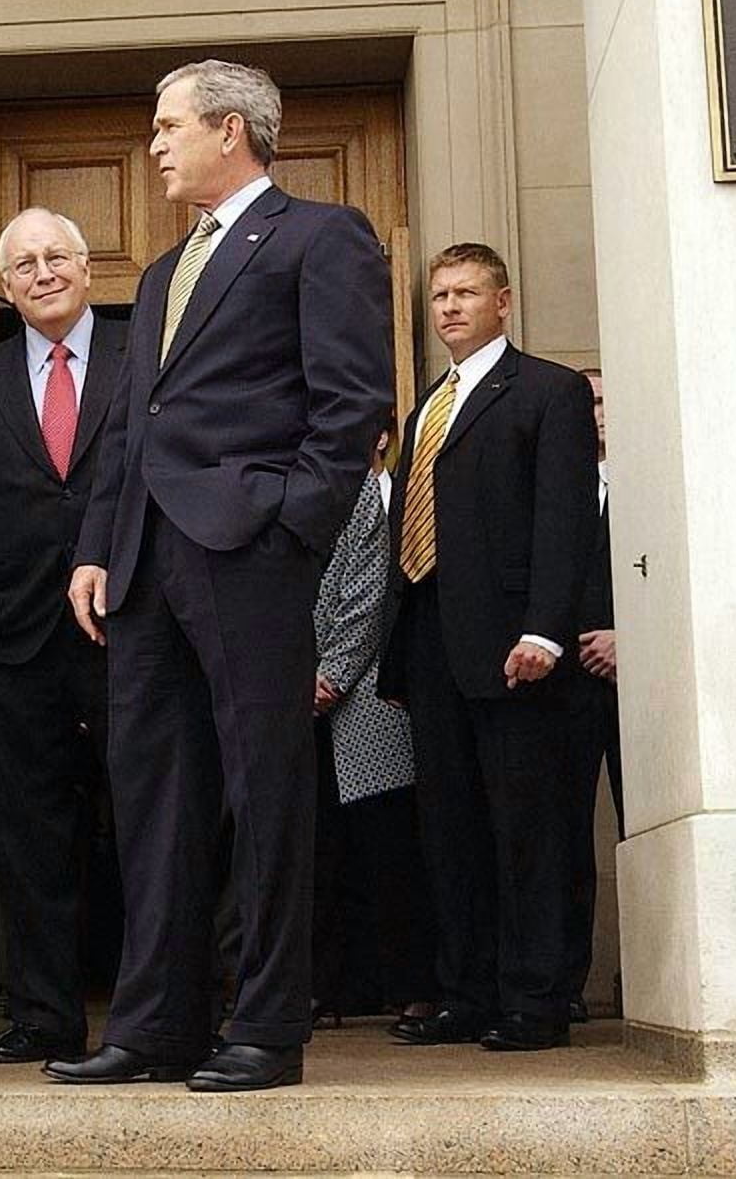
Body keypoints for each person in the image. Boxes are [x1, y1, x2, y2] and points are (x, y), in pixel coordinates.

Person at [54, 60, 393, 1092]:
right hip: (147, 561)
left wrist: (291, 529)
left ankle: (264, 1024)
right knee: (152, 794)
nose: (152, 143)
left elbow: (351, 405)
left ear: (232, 131)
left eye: (167, 126)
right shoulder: (159, 273)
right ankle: (156, 1024)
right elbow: (129, 423)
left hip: (247, 549)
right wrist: (97, 547)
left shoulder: (319, 236)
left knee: (263, 788)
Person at [378, 242, 595, 1054]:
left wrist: (544, 629)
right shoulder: (426, 406)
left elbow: (563, 521)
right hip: (433, 648)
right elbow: (409, 533)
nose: (449, 308)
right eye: (438, 296)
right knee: (452, 832)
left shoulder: (549, 391)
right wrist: (398, 656)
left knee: (526, 832)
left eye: (466, 293)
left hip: (514, 647)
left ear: (504, 302)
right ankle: (465, 995)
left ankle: (535, 1002)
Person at [0, 208, 128, 1065]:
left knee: (152, 826)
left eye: (57, 257)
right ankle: (43, 1014)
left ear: (87, 270)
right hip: (10, 647)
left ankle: (162, 1011)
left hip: (128, 639)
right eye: (22, 264)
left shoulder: (140, 361)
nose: (42, 273)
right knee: (28, 839)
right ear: (5, 287)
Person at [310, 430, 436, 1025]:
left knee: (389, 843)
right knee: (320, 850)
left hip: (365, 698)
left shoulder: (373, 496)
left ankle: (413, 983)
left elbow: (365, 594)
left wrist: (330, 674)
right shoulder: (304, 492)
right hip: (295, 697)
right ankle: (336, 986)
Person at [563, 368, 623, 1022]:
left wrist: (627, 638)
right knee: (567, 836)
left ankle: (646, 975)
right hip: (569, 679)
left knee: (641, 826)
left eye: (604, 401)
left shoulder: (653, 484)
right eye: (586, 405)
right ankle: (567, 982)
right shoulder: (560, 487)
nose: (596, 415)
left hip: (640, 681)